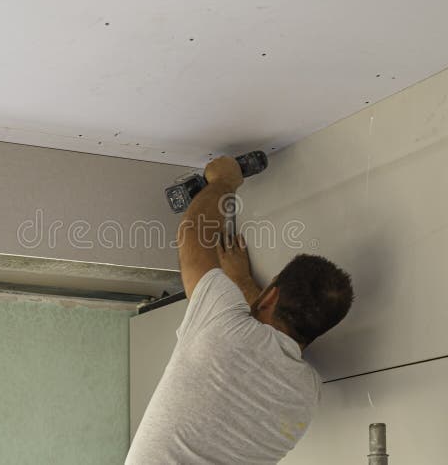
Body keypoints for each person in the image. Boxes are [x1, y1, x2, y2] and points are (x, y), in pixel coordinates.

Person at [126, 156, 354, 464]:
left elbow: (193, 235)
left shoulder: (227, 328)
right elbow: (268, 345)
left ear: (270, 296)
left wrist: (224, 181)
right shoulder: (306, 394)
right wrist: (244, 283)